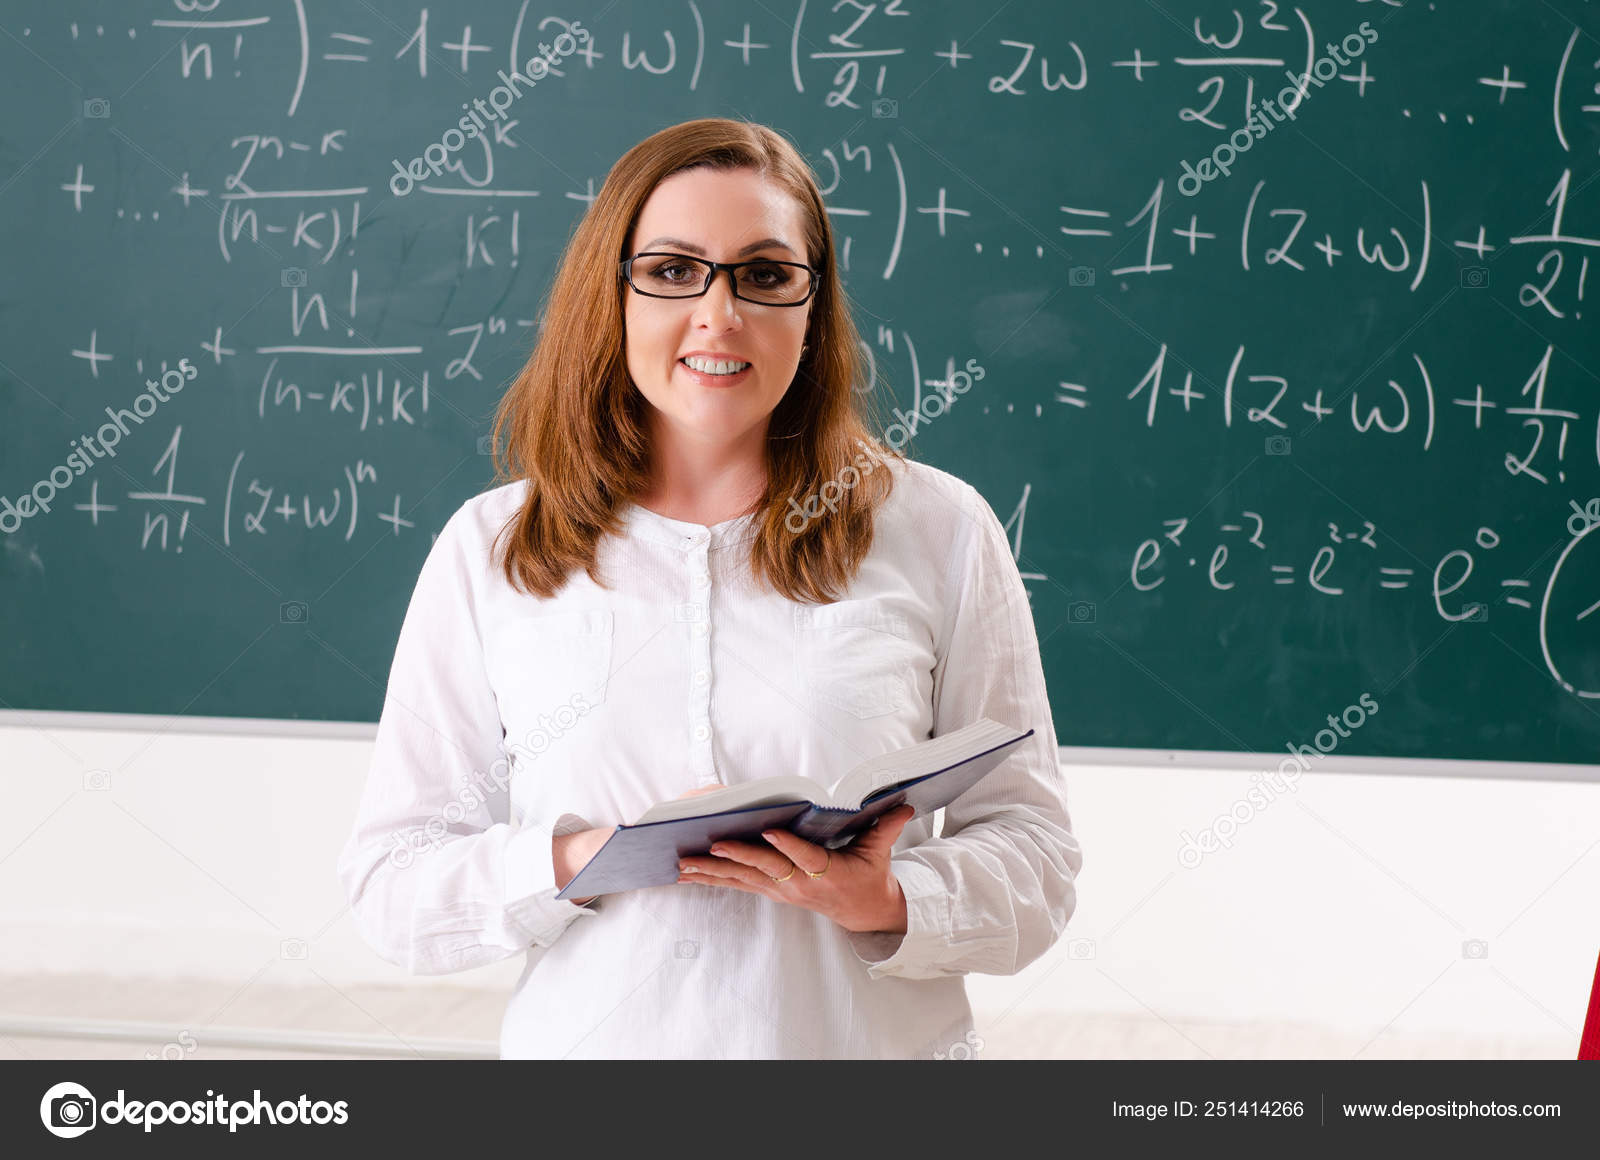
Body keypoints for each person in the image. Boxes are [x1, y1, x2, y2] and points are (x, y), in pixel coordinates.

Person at [336, 117, 1082, 1059]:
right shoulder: (492, 548)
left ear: (813, 312)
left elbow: (1037, 858)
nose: (719, 315)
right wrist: (575, 861)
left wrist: (890, 899)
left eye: (765, 275)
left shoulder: (939, 528)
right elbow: (392, 886)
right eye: (674, 270)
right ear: (612, 295)